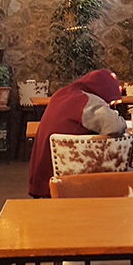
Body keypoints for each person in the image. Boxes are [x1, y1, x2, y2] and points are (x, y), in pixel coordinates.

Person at [28, 68, 126, 197]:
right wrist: (115, 114)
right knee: (132, 175)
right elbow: (114, 126)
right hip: (75, 179)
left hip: (44, 176)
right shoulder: (88, 101)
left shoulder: (61, 94)